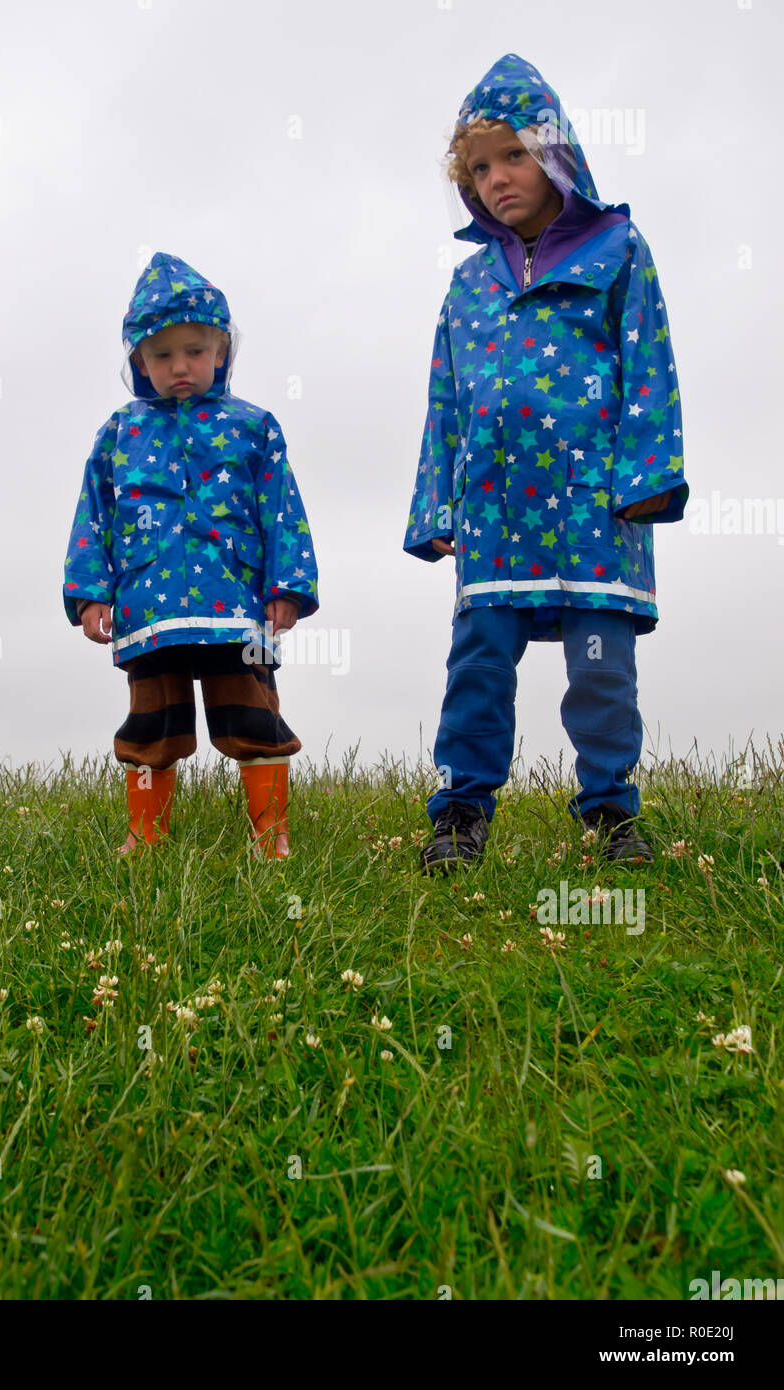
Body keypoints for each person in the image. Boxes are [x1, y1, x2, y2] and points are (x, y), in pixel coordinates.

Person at [404, 53, 688, 873]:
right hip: (492, 510)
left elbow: (650, 365)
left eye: (513, 155)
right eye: (479, 166)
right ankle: (459, 814)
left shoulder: (618, 250)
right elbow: (445, 398)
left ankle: (609, 813)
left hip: (592, 504)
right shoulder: (467, 283)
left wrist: (644, 479)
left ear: (555, 151)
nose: (496, 178)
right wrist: (436, 507)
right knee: (478, 662)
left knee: (600, 668)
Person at [64, 251, 318, 859]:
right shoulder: (118, 433)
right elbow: (93, 515)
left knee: (254, 722)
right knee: (152, 729)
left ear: (222, 351)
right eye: (161, 354)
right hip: (149, 611)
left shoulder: (254, 428)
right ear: (138, 361)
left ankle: (270, 836)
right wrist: (90, 592)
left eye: (195, 351)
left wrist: (289, 584)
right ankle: (145, 836)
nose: (180, 366)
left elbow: (283, 508)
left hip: (237, 610)